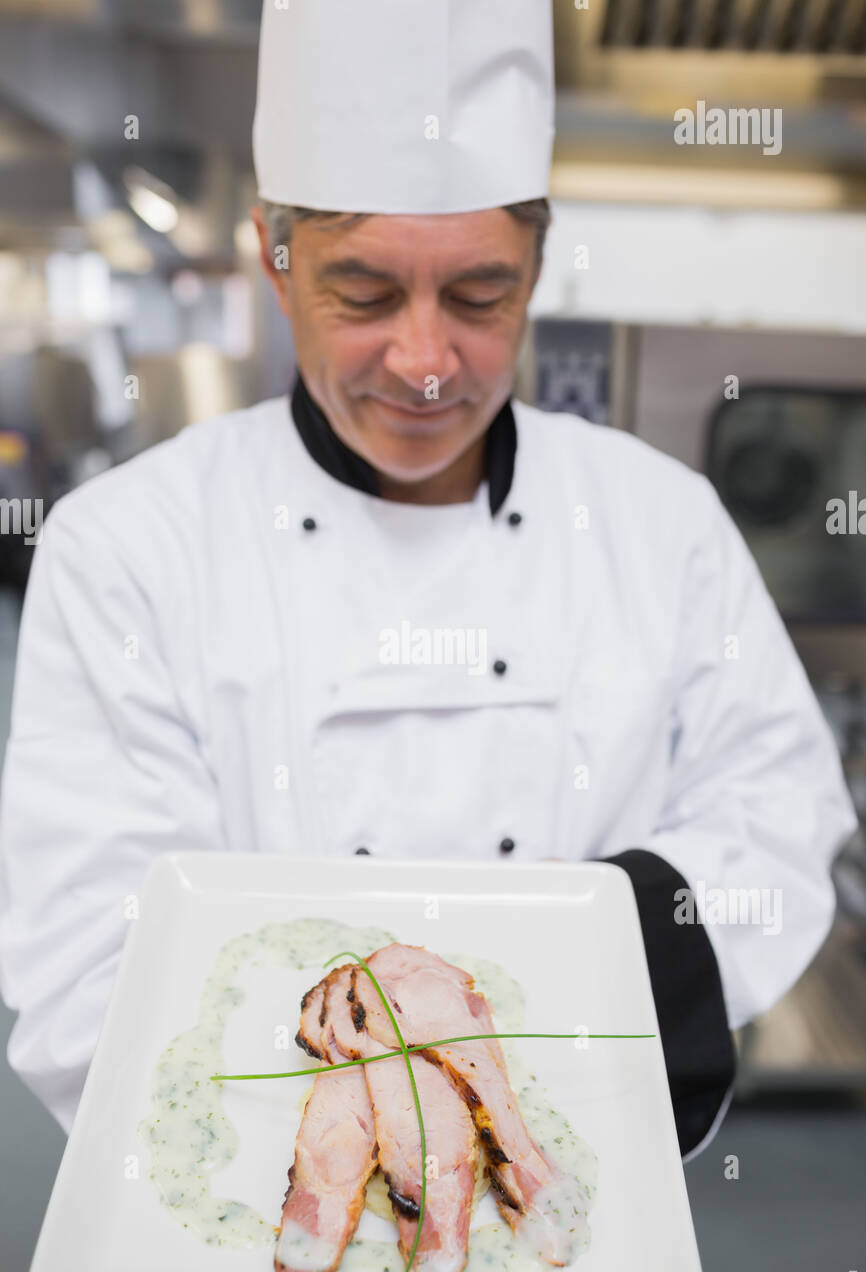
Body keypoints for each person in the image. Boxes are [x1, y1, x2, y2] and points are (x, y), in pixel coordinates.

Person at [0, 0, 856, 1159]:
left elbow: (778, 809)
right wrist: (368, 1130)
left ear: (538, 268)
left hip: (568, 1188)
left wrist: (598, 940)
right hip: (250, 1224)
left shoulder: (659, 523)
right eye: (362, 294)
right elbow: (83, 957)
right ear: (275, 254)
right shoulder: (130, 549)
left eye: (477, 296)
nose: (423, 363)